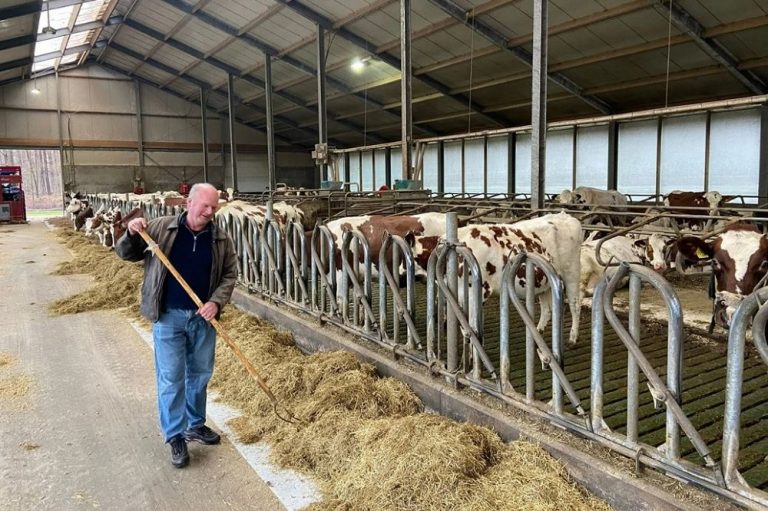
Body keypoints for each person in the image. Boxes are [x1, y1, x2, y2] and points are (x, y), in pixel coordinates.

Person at [116, 183, 238, 468]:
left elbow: (230, 274)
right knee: (172, 377)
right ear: (188, 203)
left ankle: (195, 424)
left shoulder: (221, 239)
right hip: (169, 316)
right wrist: (132, 233)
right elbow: (126, 254)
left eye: (214, 208)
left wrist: (217, 302)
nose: (209, 212)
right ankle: (175, 435)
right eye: (204, 206)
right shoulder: (159, 228)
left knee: (200, 374)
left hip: (203, 318)